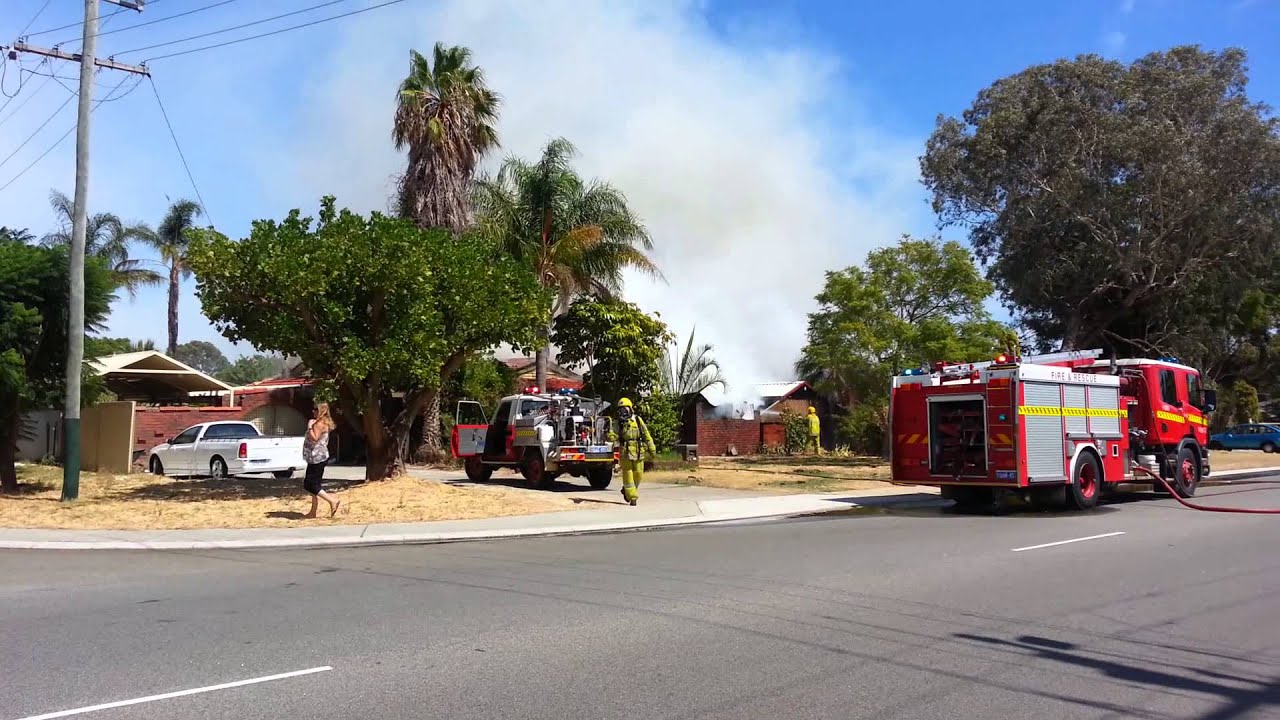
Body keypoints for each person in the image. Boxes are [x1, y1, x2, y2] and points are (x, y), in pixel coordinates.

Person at [609, 397, 656, 506]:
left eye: (625, 409)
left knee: (638, 474)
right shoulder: (618, 423)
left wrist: (652, 448)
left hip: (639, 452)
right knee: (628, 474)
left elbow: (646, 435)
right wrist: (612, 436)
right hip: (625, 453)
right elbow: (612, 434)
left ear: (630, 409)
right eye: (621, 410)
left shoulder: (638, 420)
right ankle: (632, 497)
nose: (623, 412)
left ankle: (627, 490)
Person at [302, 402, 340, 518]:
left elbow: (314, 438)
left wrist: (309, 426)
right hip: (316, 457)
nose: (313, 412)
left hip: (317, 458)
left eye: (315, 409)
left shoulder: (319, 423)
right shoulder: (323, 422)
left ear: (320, 411)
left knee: (309, 484)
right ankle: (313, 511)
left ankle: (332, 501)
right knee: (314, 484)